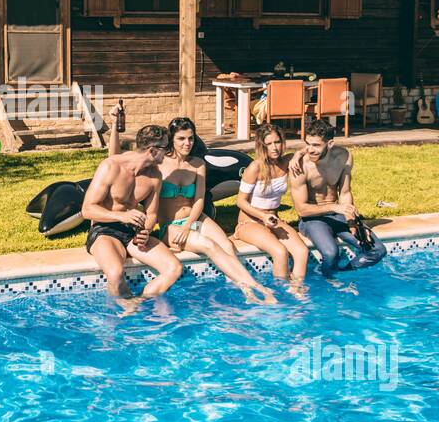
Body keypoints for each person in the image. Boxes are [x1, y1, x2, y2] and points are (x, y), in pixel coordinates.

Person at [157, 117, 273, 301]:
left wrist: (188, 225)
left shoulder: (197, 164)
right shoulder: (159, 164)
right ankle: (254, 287)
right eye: (181, 138)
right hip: (170, 226)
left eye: (191, 138)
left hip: (195, 218)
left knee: (227, 245)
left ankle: (245, 290)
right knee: (209, 245)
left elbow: (199, 199)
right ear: (171, 139)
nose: (187, 143)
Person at [81, 122, 184, 299]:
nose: (169, 153)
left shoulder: (154, 176)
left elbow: (151, 214)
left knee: (174, 268)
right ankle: (124, 314)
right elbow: (87, 209)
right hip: (105, 230)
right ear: (152, 151)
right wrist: (121, 216)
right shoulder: (111, 167)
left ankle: (140, 303)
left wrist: (146, 231)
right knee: (115, 273)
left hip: (134, 234)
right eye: (166, 148)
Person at [287, 117, 387, 276]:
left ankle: (342, 273)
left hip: (339, 215)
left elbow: (345, 192)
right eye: (307, 144)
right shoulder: (300, 166)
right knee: (331, 254)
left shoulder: (343, 156)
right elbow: (302, 210)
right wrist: (334, 207)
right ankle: (328, 283)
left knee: (377, 250)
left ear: (330, 144)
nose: (310, 150)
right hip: (312, 220)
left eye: (316, 145)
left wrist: (353, 222)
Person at [233, 124, 311, 283]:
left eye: (277, 142)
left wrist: (296, 156)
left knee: (302, 251)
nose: (274, 148)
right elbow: (240, 201)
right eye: (268, 144)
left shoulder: (285, 162)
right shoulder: (255, 167)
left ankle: (298, 290)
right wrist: (263, 215)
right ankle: (282, 295)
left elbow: (309, 149)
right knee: (280, 252)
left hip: (273, 220)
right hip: (249, 222)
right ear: (261, 146)